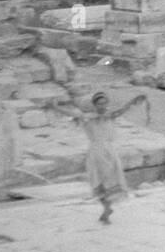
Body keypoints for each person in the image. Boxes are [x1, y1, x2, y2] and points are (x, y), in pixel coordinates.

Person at [53, 90, 147, 224]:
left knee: (111, 179)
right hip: (96, 152)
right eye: (99, 104)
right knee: (98, 181)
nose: (102, 106)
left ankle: (107, 208)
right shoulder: (87, 117)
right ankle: (106, 207)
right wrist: (55, 107)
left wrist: (134, 100)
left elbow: (123, 109)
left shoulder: (110, 116)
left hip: (109, 151)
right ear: (94, 105)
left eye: (104, 103)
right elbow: (70, 113)